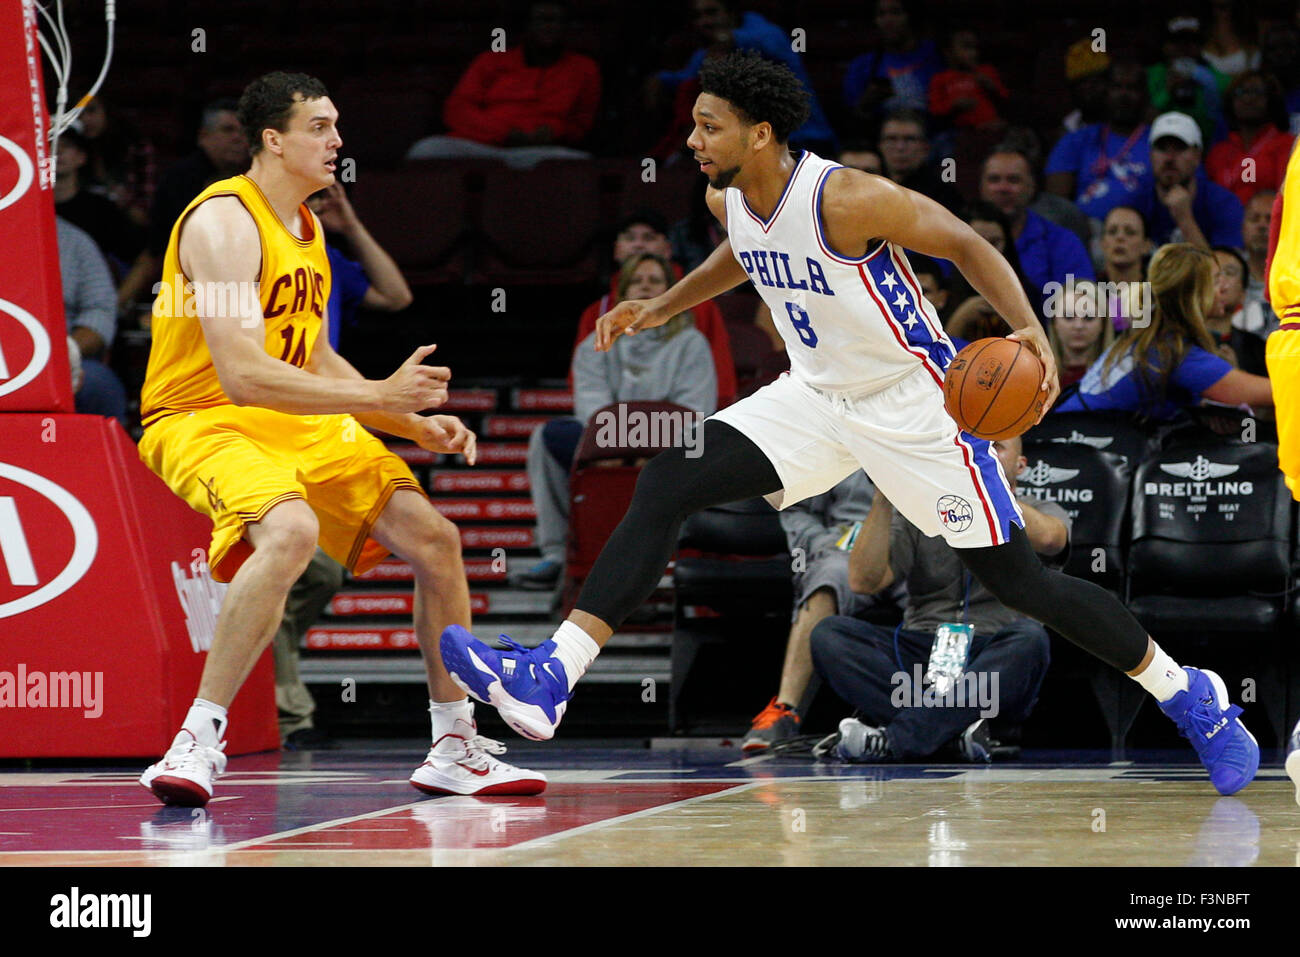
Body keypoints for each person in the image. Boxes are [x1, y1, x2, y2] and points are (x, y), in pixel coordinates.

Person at [440, 51, 1260, 798]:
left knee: (1022, 584)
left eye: (709, 124)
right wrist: (662, 303)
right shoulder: (729, 194)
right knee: (669, 473)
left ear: (761, 134)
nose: (692, 137)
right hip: (817, 396)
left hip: (916, 404)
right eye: (694, 122)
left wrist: (1031, 333)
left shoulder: (848, 197)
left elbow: (967, 245)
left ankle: (1191, 696)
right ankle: (555, 671)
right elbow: (742, 249)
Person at [135, 71, 543, 806]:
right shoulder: (222, 223)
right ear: (272, 139)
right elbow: (242, 375)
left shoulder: (309, 226)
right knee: (289, 530)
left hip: (294, 414)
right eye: (320, 127)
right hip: (201, 413)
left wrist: (409, 421)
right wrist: (377, 396)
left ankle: (455, 742)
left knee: (437, 539)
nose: (337, 140)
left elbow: (311, 356)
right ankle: (198, 738)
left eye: (336, 125)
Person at [811, 432, 1065, 763]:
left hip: (992, 658)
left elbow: (1050, 539)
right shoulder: (923, 510)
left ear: (1020, 466)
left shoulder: (1042, 511)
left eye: (995, 449)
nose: (980, 455)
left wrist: (983, 481)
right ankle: (948, 735)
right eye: (973, 448)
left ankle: (900, 738)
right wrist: (884, 500)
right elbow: (863, 581)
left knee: (1031, 638)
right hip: (922, 651)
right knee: (829, 634)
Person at [515, 253, 717, 590]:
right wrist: (616, 447)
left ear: (670, 291)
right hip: (607, 442)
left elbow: (695, 412)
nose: (646, 287)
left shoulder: (692, 343)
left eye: (655, 281)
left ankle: (678, 553)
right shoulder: (594, 342)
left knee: (706, 441)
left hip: (668, 448)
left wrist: (641, 449)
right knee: (546, 437)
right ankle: (557, 553)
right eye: (637, 281)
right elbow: (592, 409)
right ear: (622, 292)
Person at [741, 470, 903, 752]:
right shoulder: (834, 434)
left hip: (919, 540)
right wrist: (822, 544)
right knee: (826, 577)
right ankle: (785, 709)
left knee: (945, 583)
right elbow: (797, 508)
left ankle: (950, 710)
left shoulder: (938, 428)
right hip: (845, 547)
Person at [1055, 243, 1272, 418]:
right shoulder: (1173, 353)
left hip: (1074, 443)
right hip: (1069, 452)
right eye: (1216, 280)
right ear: (1195, 295)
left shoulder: (1152, 337)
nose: (1224, 286)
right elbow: (1273, 392)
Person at [406, 1, 600, 168]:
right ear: (527, 25)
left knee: (581, 164)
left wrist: (555, 131)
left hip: (540, 151)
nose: (550, 27)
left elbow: (581, 121)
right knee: (425, 150)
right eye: (542, 20)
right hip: (482, 145)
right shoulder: (491, 60)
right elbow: (457, 109)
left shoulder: (584, 67)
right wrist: (505, 134)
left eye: (558, 21)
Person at [576, 210, 735, 407]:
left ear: (668, 248)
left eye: (648, 237)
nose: (638, 244)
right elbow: (587, 384)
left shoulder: (700, 305)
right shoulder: (596, 311)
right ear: (616, 249)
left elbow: (716, 374)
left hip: (682, 424)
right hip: (611, 431)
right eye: (630, 238)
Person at [652, 0, 836, 155]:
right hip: (754, 147)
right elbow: (686, 78)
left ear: (731, 14)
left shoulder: (769, 34)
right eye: (698, 16)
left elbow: (743, 40)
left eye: (712, 12)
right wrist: (659, 79)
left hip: (804, 141)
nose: (704, 22)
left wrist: (724, 38)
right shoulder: (707, 53)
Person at [978, 149, 1095, 316]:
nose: (1003, 188)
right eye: (994, 179)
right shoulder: (956, 237)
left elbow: (1082, 311)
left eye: (1013, 180)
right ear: (980, 186)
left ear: (1031, 187)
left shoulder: (1063, 243)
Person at [305, 182, 413, 351]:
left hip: (322, 373)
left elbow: (395, 297)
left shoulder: (326, 255)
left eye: (316, 197)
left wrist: (351, 227)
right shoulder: (255, 252)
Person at [1045, 58, 1153, 223]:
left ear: (1144, 95)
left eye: (1132, 88)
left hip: (1143, 235)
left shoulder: (1159, 142)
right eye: (1117, 87)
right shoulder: (1075, 141)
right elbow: (1054, 207)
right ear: (1105, 92)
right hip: (1085, 235)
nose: (1124, 95)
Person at [56, 216, 128, 424]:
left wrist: (67, 352)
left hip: (62, 357)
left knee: (99, 383)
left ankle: (100, 457)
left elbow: (100, 310)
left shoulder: (75, 242)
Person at [1142, 111, 1244, 249]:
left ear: (1197, 155)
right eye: (1162, 148)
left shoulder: (1224, 204)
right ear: (1150, 155)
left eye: (1179, 148)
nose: (1169, 158)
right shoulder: (1137, 204)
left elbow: (1224, 269)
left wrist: (1185, 220)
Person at [843, 0, 944, 124]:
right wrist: (867, 101)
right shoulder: (862, 65)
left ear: (910, 16)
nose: (888, 20)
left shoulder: (936, 54)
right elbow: (854, 117)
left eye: (895, 12)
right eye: (881, 14)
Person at [1205, 71, 1293, 205]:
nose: (1248, 98)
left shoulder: (1288, 145)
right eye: (1241, 92)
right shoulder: (1219, 152)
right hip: (1225, 223)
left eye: (1256, 91)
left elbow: (1288, 199)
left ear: (1271, 99)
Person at [876, 109, 963, 213]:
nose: (900, 147)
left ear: (925, 147)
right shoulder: (870, 187)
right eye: (891, 139)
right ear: (880, 146)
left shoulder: (944, 196)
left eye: (910, 139)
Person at [927, 27, 1008, 133]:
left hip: (993, 128)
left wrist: (990, 86)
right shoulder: (940, 79)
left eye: (975, 48)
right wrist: (954, 105)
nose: (973, 53)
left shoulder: (987, 71)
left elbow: (1005, 98)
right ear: (949, 52)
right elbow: (935, 110)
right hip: (959, 132)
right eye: (966, 47)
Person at [1049, 280, 1116, 389]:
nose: (1078, 326)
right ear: (1054, 323)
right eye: (1069, 317)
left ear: (1103, 323)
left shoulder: (1119, 377)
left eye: (1089, 318)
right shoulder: (1039, 375)